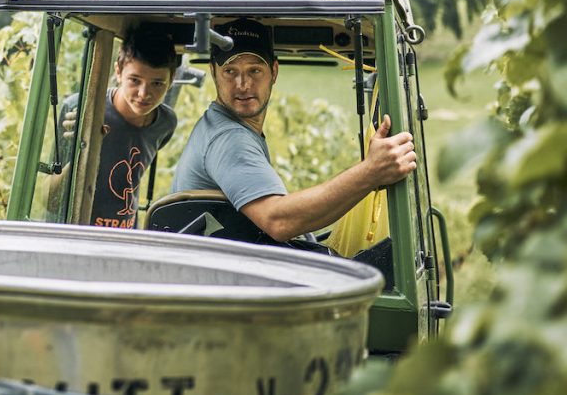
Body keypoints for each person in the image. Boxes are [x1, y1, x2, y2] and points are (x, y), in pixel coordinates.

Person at [170, 17, 416, 246]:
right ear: (214, 73)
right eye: (230, 71)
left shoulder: (222, 126)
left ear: (274, 72)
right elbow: (278, 221)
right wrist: (371, 173)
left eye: (254, 70)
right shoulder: (229, 139)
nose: (243, 85)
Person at [52, 23, 179, 229]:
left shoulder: (165, 123)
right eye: (134, 80)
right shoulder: (81, 109)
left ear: (171, 80)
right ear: (118, 72)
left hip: (126, 238)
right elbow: (49, 200)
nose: (143, 94)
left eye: (157, 83)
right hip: (77, 234)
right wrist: (82, 147)